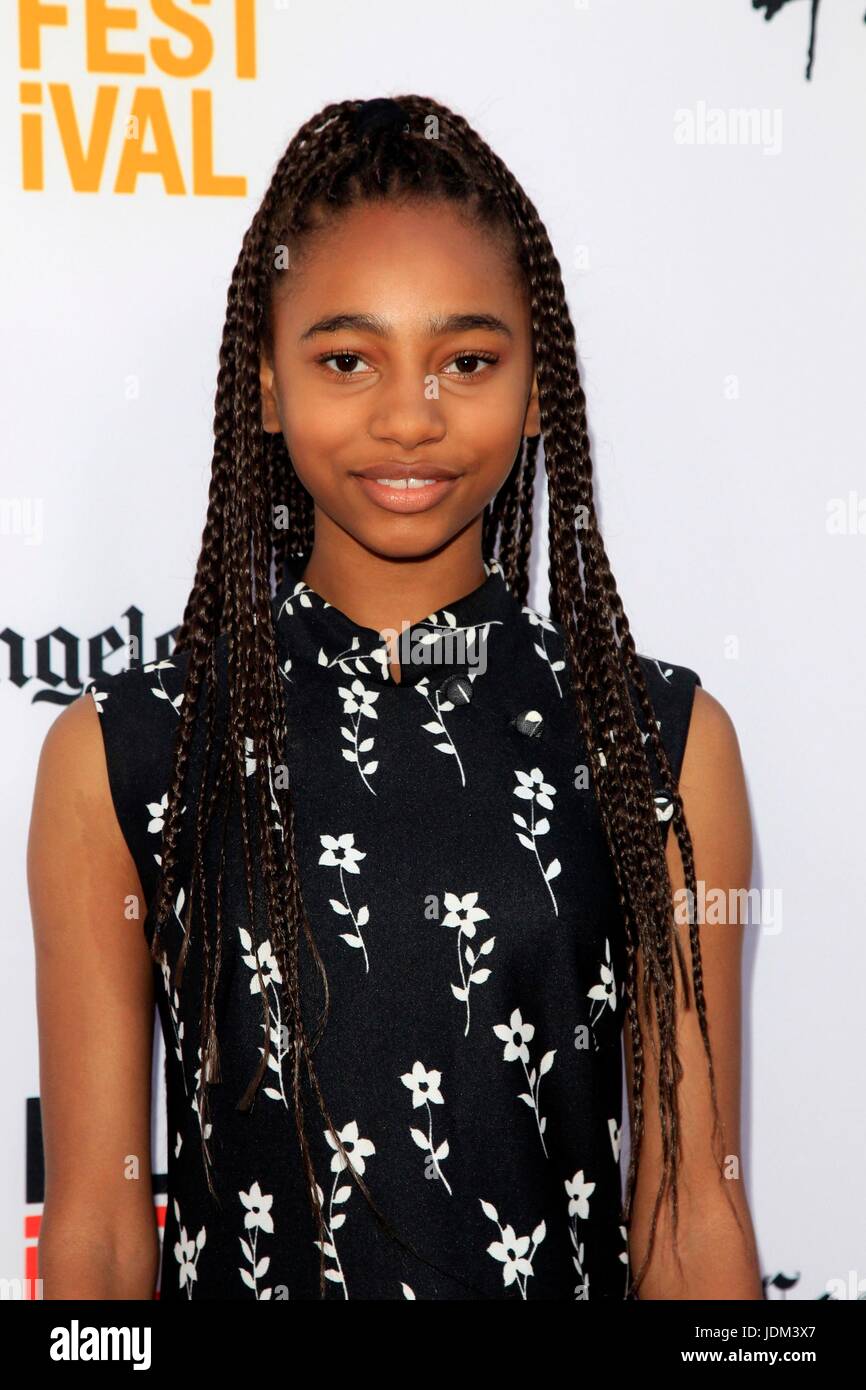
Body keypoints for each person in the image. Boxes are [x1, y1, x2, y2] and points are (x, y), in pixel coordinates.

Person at [27, 94, 762, 1300]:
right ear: (264, 385)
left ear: (537, 393)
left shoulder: (659, 744)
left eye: (466, 360)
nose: (409, 414)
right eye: (346, 359)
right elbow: (100, 1244)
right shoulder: (125, 751)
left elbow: (690, 1214)